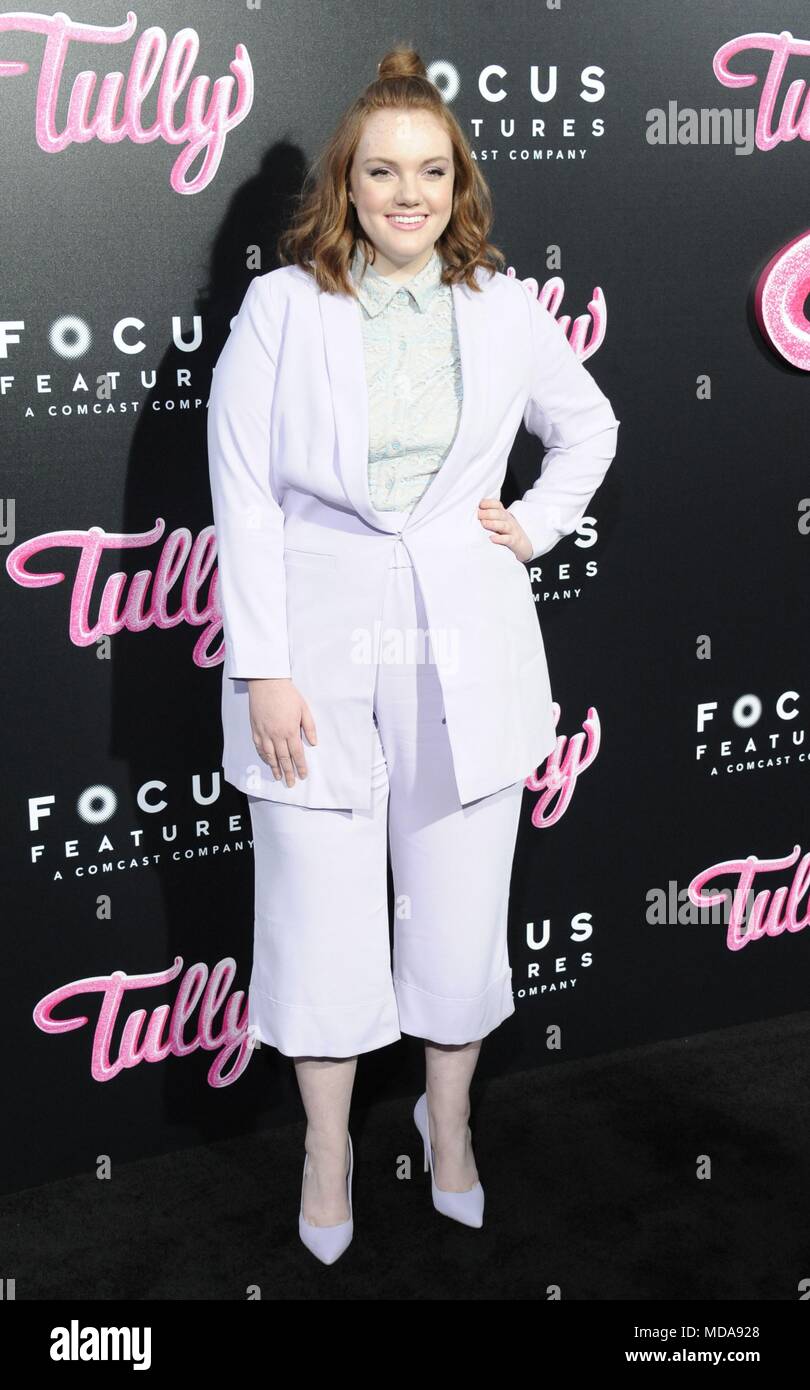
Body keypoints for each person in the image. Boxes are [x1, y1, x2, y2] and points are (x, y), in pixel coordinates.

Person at [207, 44, 620, 1264]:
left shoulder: (502, 304)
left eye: (430, 170)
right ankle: (327, 1149)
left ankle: (450, 1129)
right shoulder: (283, 306)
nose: (407, 192)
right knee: (319, 905)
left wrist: (532, 523)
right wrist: (263, 664)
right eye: (382, 170)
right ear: (348, 182)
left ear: (458, 180)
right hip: (316, 641)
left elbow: (588, 425)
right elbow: (240, 491)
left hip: (467, 630)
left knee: (454, 907)